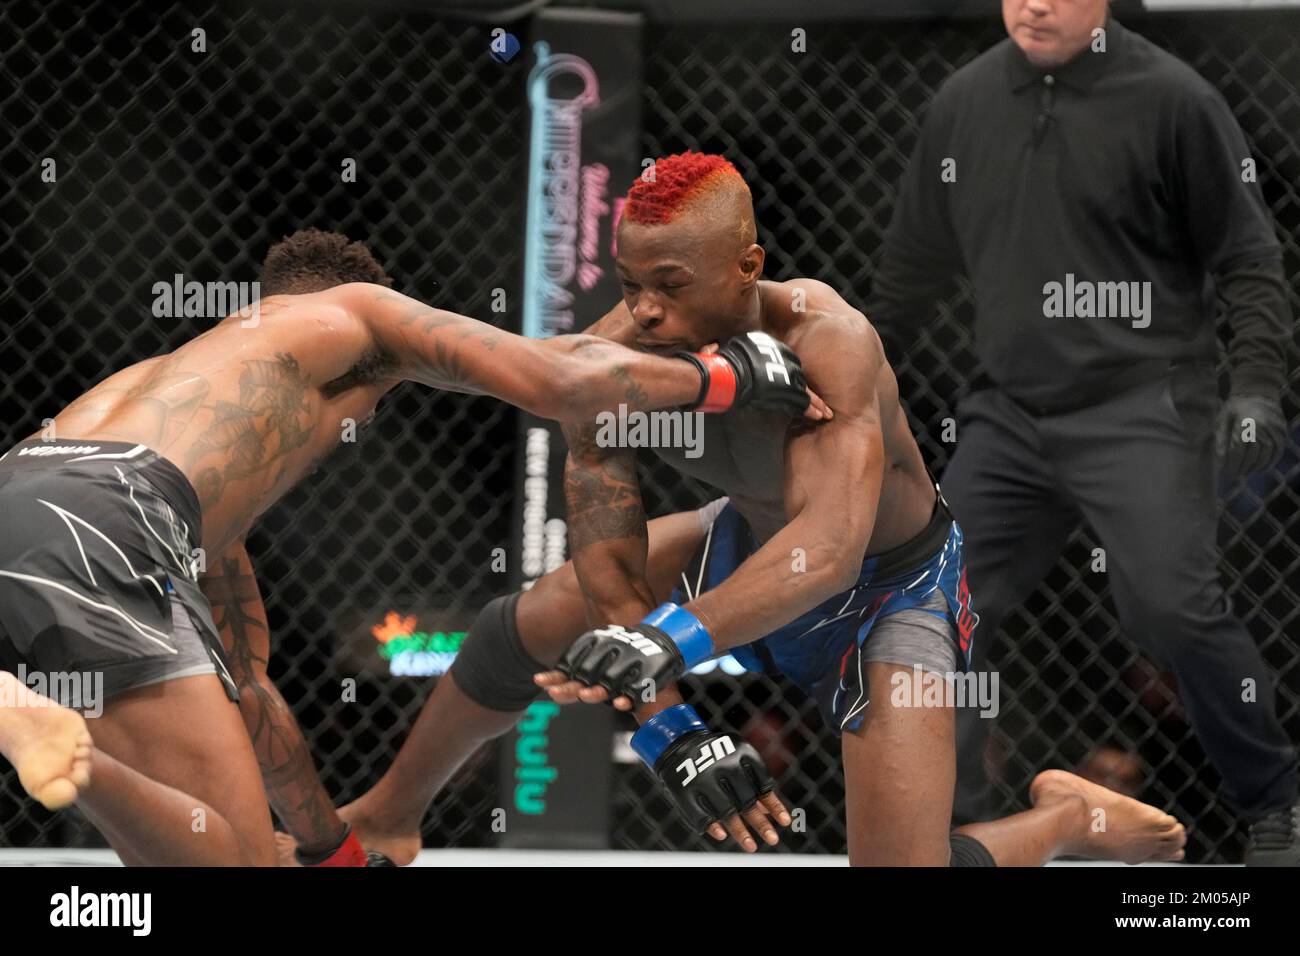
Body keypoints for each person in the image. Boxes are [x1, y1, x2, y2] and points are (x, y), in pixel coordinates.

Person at [316, 153, 1187, 866]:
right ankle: (392, 814)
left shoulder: (829, 342)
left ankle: (1071, 819)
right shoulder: (614, 361)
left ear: (748, 269)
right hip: (742, 544)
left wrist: (670, 639)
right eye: (628, 283)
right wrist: (673, 729)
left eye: (669, 283)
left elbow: (833, 550)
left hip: (888, 593)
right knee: (532, 616)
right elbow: (609, 568)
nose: (646, 309)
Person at [0, 228, 823, 865]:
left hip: (32, 498)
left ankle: (46, 730)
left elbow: (251, 697)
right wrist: (731, 375)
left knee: (209, 839)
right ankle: (58, 742)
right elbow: (560, 380)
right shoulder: (358, 312)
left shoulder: (182, 412)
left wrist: (335, 848)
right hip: (113, 518)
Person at [866, 0, 1297, 864]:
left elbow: (1247, 258)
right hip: (1007, 410)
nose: (1032, 3)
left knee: (1170, 607)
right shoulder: (964, 101)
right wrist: (850, 382)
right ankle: (961, 827)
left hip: (1142, 403)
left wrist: (1255, 388)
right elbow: (909, 272)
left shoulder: (1174, 100)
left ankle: (1275, 802)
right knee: (930, 611)